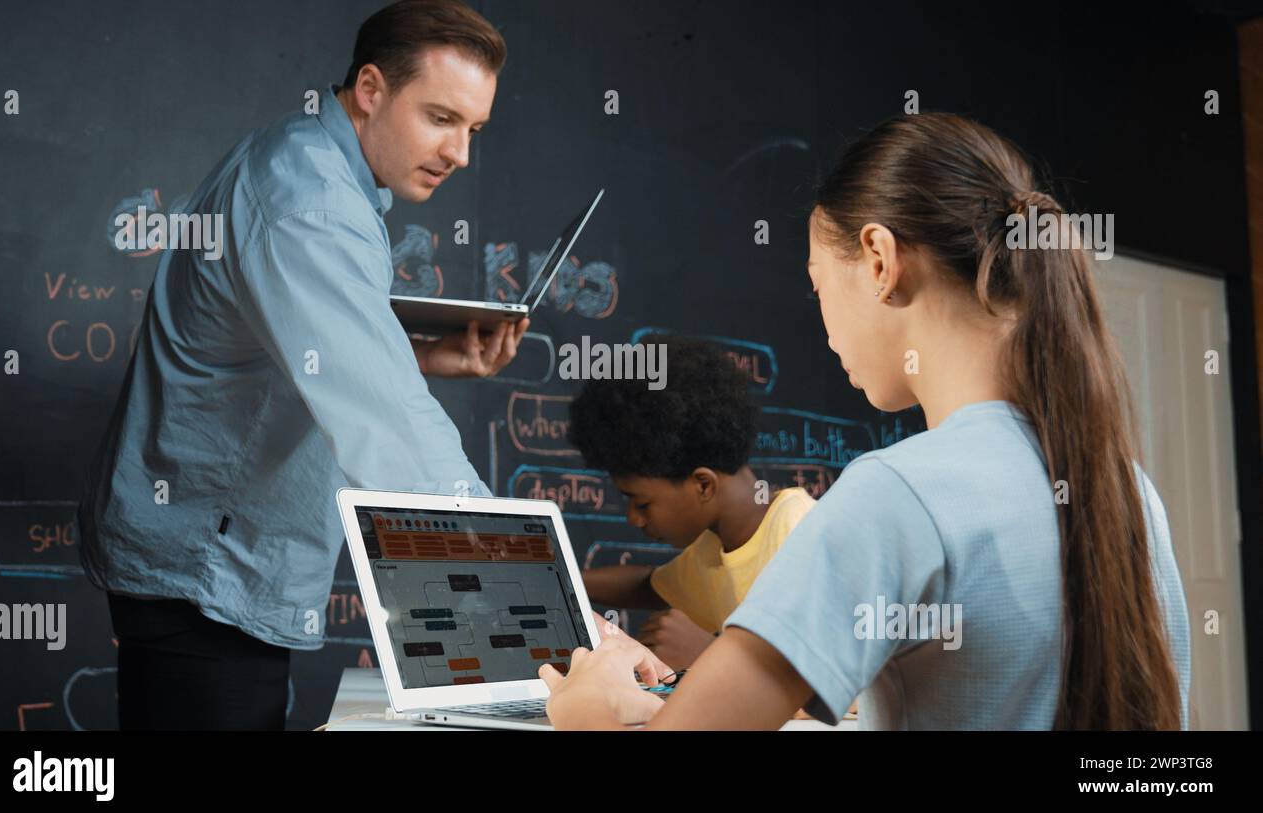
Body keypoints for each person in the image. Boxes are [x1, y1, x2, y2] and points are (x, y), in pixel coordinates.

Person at [539, 112, 1192, 731]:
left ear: (880, 260)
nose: (825, 330)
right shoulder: (1130, 491)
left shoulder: (895, 492)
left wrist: (588, 712)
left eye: (819, 285)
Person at [77, 0, 522, 730]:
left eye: (474, 129)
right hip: (205, 577)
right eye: (441, 118)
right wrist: (527, 595)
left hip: (216, 565)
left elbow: (290, 337)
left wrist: (414, 354)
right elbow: (390, 425)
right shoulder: (308, 200)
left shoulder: (313, 167)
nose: (460, 153)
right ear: (372, 90)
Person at [568, 336, 815, 670]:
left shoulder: (799, 532)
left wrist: (710, 655)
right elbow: (648, 586)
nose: (634, 520)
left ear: (702, 485)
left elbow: (836, 678)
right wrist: (561, 581)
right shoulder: (715, 547)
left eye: (642, 504)